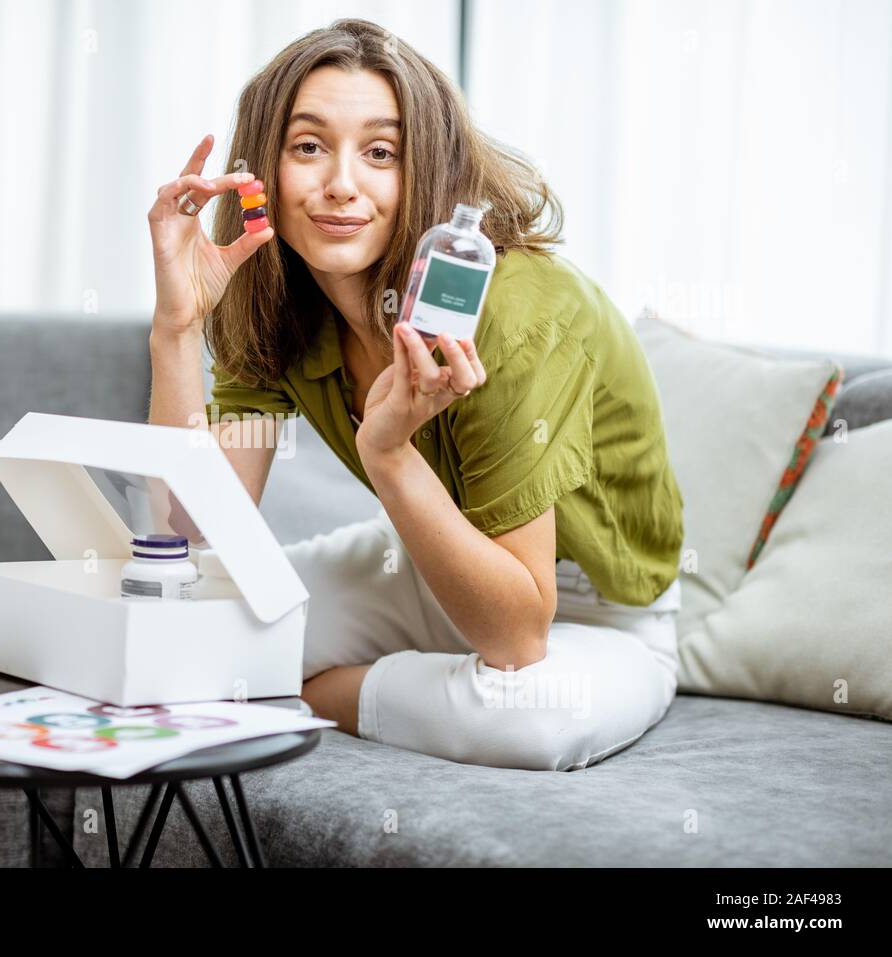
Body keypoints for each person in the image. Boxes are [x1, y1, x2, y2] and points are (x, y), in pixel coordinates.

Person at [146, 18, 684, 771]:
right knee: (181, 630)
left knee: (534, 719)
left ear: (425, 168)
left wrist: (388, 452)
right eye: (308, 146)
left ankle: (310, 695)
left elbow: (519, 636)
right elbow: (193, 532)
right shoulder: (275, 297)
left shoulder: (517, 309)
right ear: (263, 169)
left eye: (380, 153)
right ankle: (331, 682)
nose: (341, 183)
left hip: (591, 610)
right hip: (425, 567)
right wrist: (176, 326)